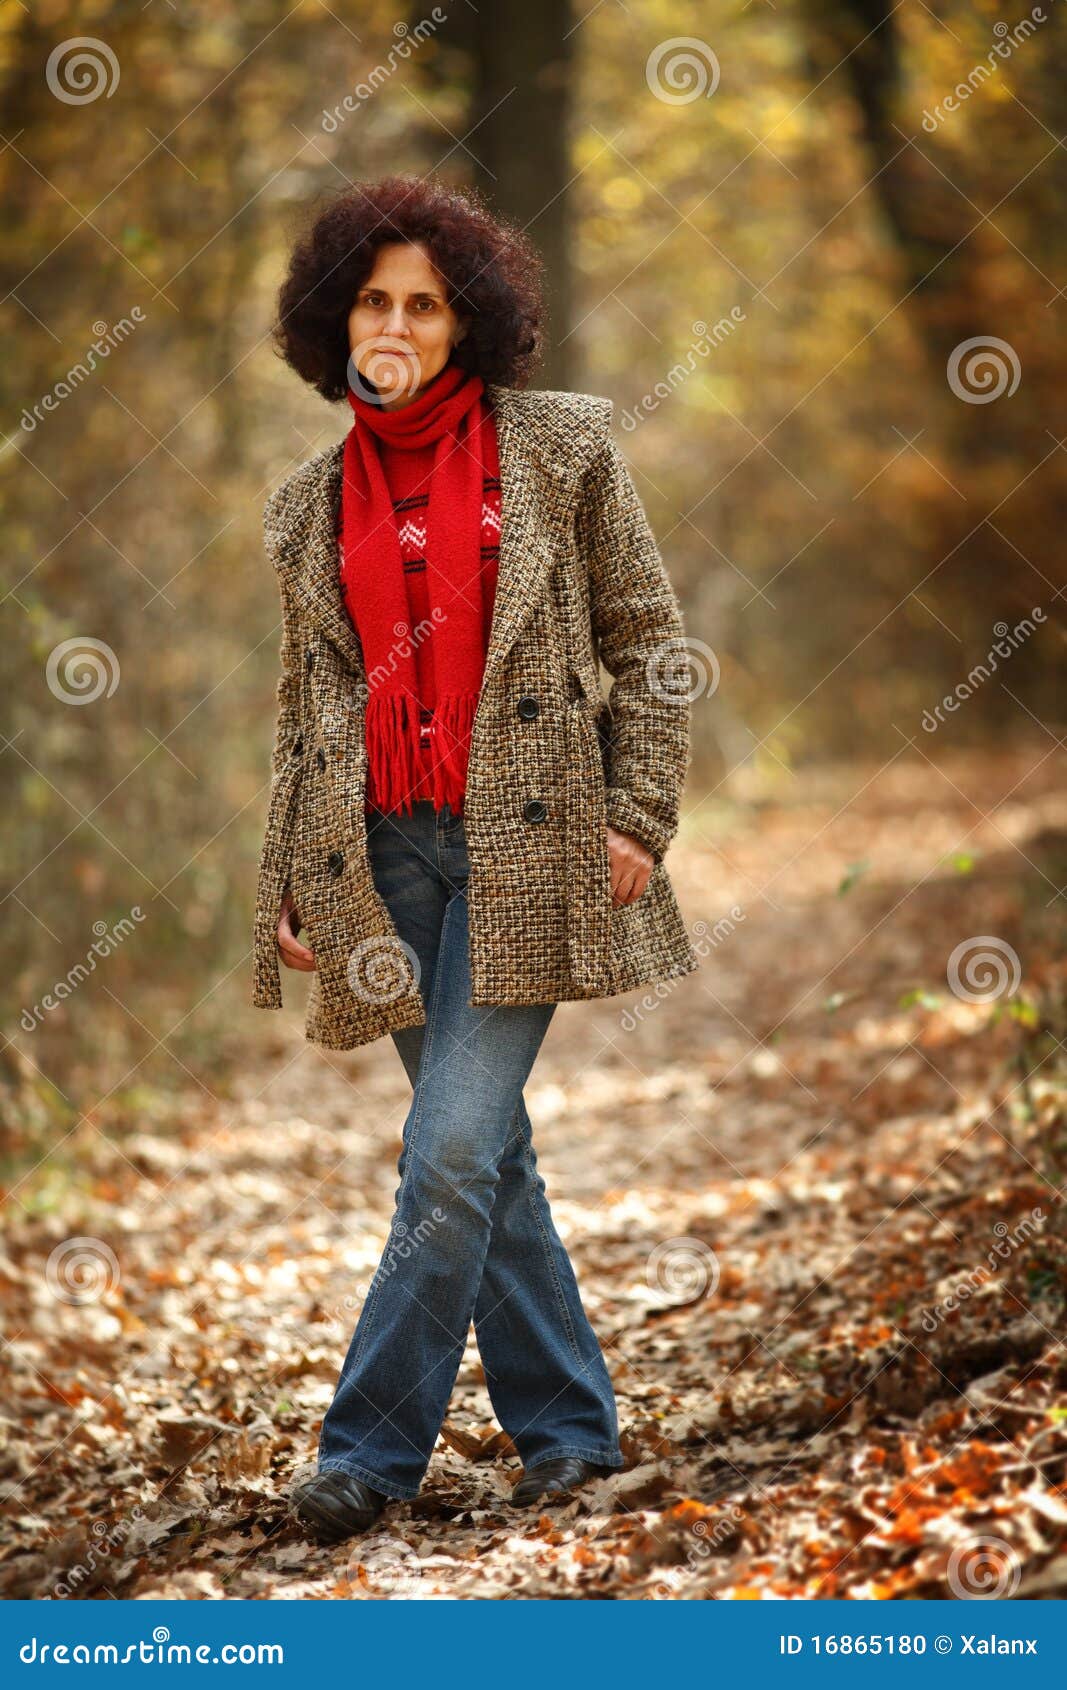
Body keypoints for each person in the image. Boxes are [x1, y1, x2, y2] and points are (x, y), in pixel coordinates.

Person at [251, 174, 699, 1543]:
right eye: (375, 302)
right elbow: (306, 703)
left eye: (424, 303)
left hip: (528, 846)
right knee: (486, 1155)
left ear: (466, 318)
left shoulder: (558, 449)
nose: (397, 323)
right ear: (341, 323)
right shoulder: (306, 501)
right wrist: (286, 876)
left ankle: (368, 1453)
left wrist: (639, 813)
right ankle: (571, 1432)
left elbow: (650, 636)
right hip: (378, 855)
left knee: (444, 1147)